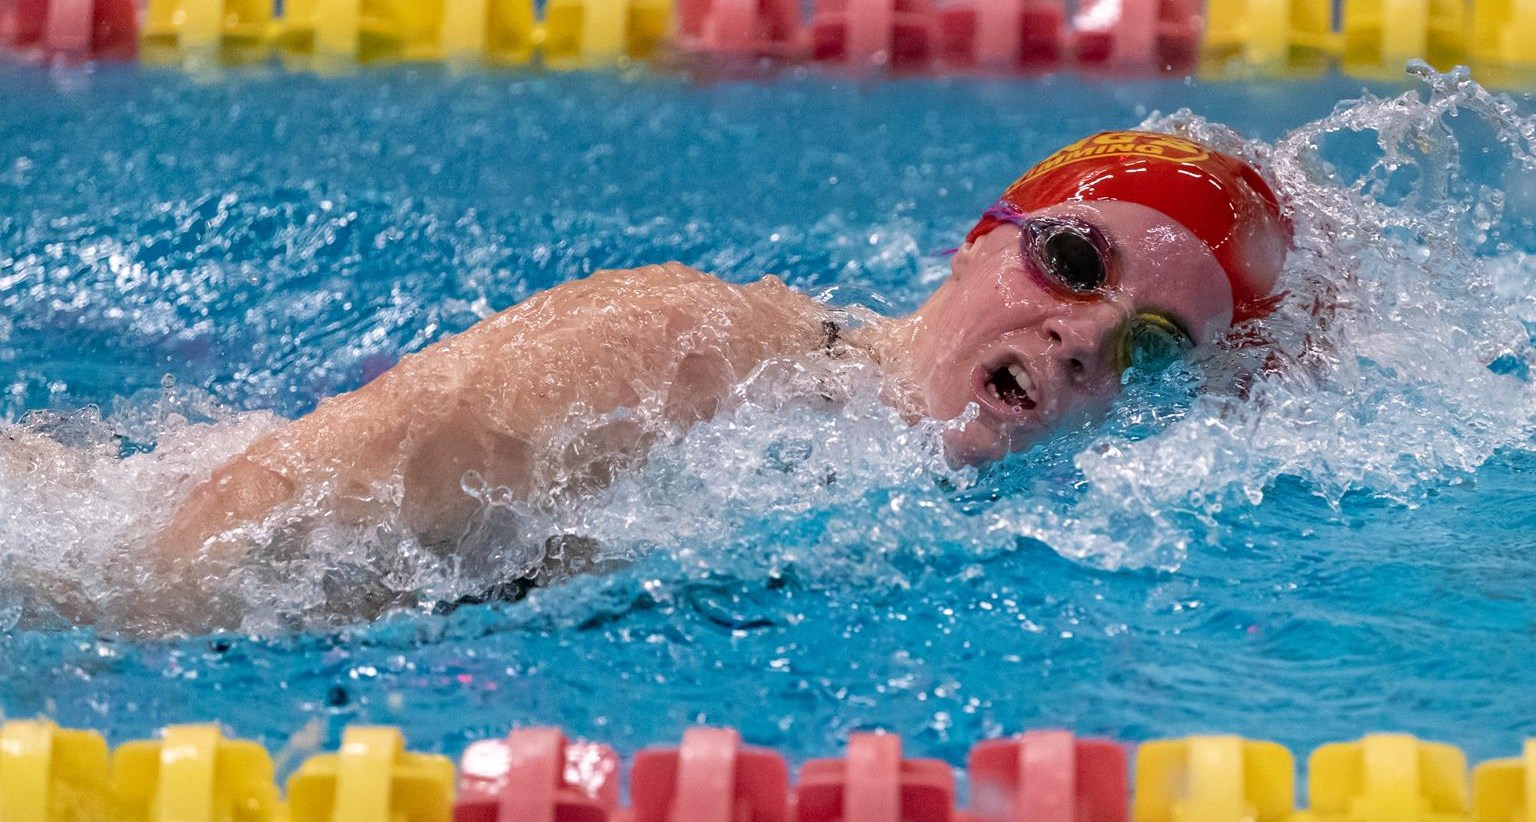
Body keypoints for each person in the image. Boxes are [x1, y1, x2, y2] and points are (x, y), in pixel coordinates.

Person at [154, 130, 1289, 584]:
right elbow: (239, 528)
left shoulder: (1036, 527)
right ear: (977, 240)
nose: (1085, 338)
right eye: (1074, 261)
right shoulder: (691, 350)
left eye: (1152, 347)